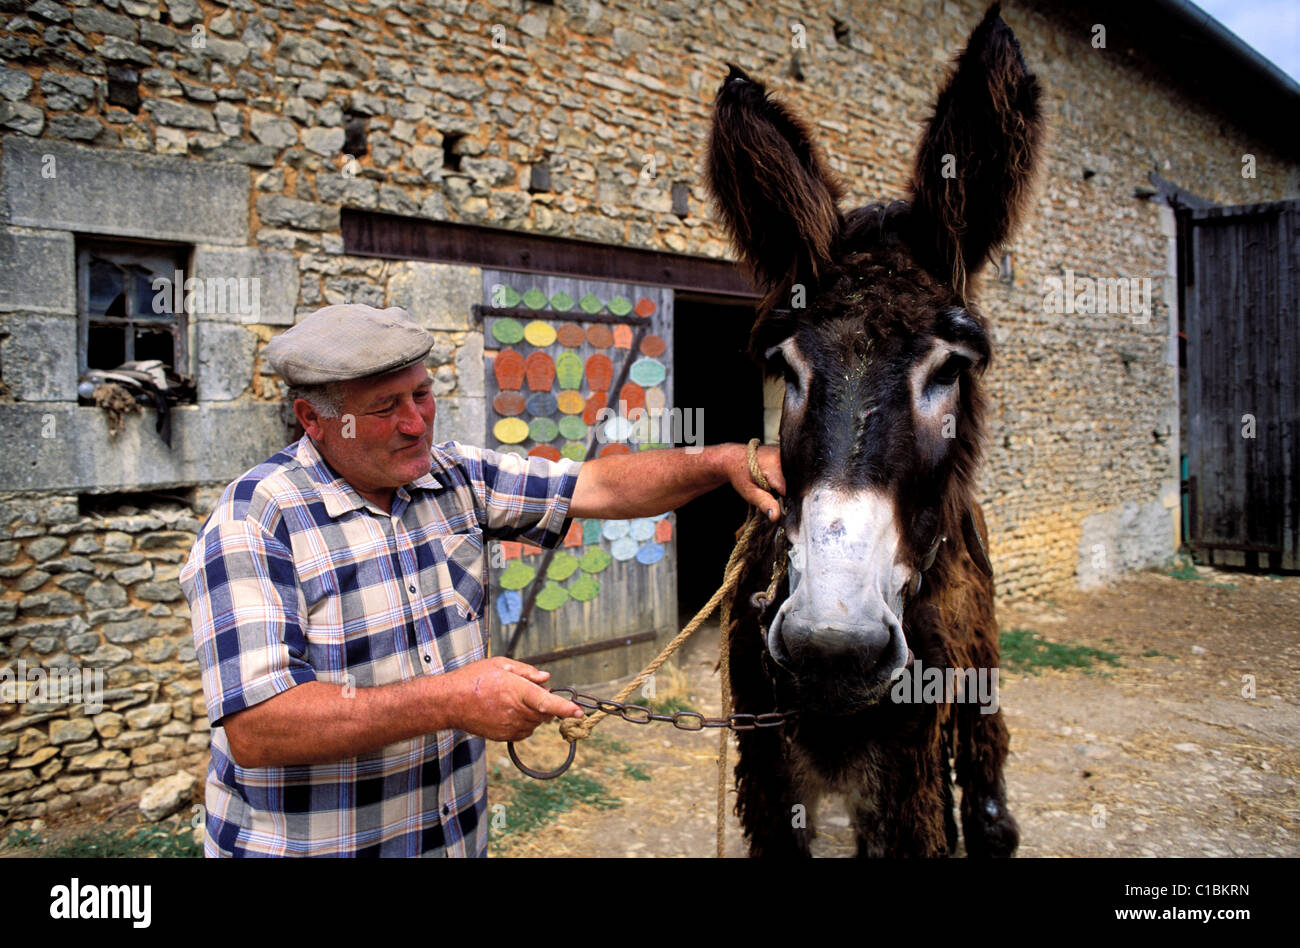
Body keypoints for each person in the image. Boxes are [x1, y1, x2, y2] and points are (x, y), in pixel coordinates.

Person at [179, 303, 783, 857]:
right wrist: (453, 699)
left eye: (422, 394)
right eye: (386, 408)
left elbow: (598, 486)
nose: (417, 424)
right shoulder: (254, 522)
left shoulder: (455, 478)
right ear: (313, 418)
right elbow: (259, 728)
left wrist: (722, 461)